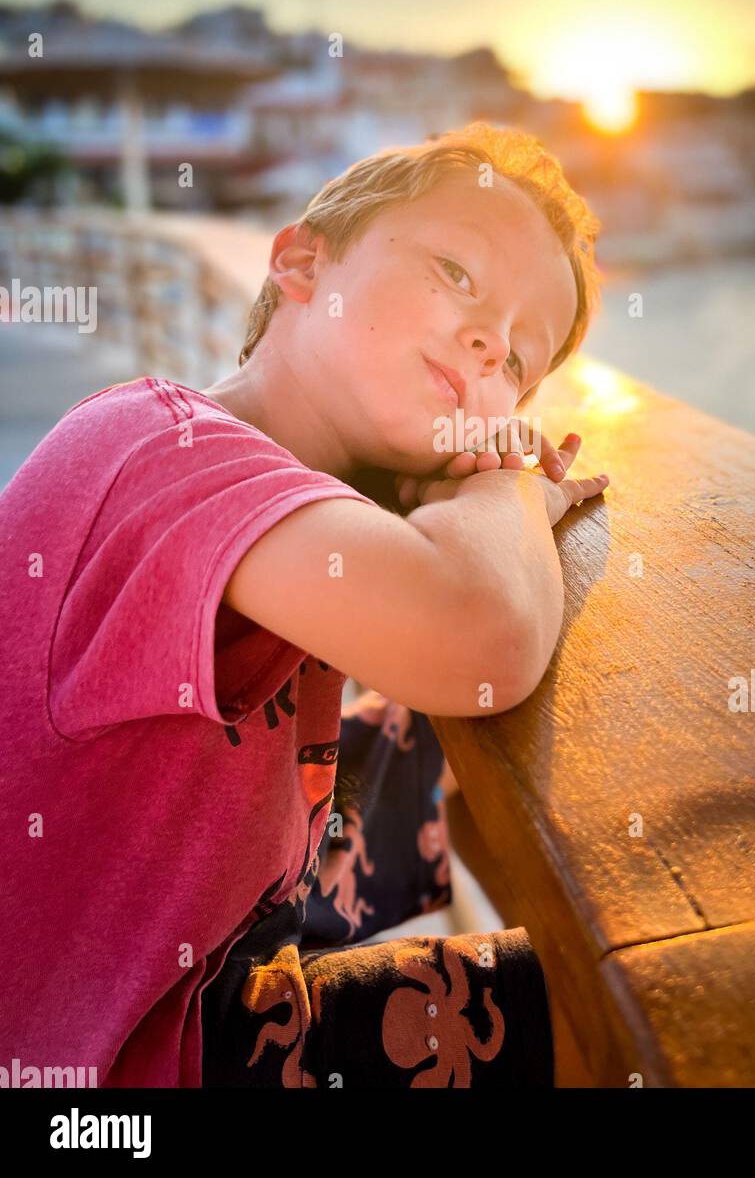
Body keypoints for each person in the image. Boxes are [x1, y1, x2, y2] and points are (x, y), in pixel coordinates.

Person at [0, 121, 610, 1088]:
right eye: (456, 272)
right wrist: (510, 481)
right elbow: (481, 635)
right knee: (596, 999)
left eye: (519, 367)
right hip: (128, 1057)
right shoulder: (165, 449)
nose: (492, 340)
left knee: (419, 763)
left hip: (177, 944)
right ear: (300, 261)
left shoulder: (252, 479)